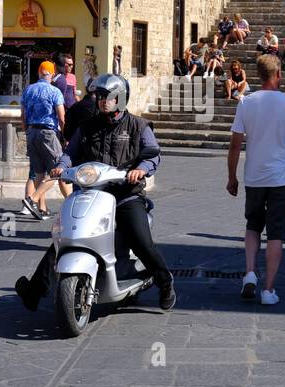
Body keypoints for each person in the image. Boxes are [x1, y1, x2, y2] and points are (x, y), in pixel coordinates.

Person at [16, 74, 176, 310]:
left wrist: (140, 170)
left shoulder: (138, 126)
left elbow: (153, 154)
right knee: (65, 238)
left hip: (125, 196)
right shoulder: (88, 126)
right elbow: (71, 152)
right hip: (92, 194)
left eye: (108, 97)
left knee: (141, 240)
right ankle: (35, 291)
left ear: (120, 98)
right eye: (100, 97)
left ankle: (165, 283)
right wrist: (62, 165)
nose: (102, 101)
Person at [227, 54, 285, 306]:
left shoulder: (246, 102)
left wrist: (232, 177)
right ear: (278, 73)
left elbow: (235, 145)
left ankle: (250, 272)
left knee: (252, 225)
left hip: (254, 176)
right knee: (275, 233)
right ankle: (269, 290)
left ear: (258, 75)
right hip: (280, 177)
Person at [20, 59, 65, 219]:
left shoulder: (28, 90)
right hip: (48, 133)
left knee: (38, 172)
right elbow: (61, 117)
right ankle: (32, 199)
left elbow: (23, 115)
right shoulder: (54, 92)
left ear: (39, 73)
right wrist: (64, 135)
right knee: (57, 172)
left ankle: (42, 209)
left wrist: (27, 131)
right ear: (52, 75)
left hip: (32, 132)